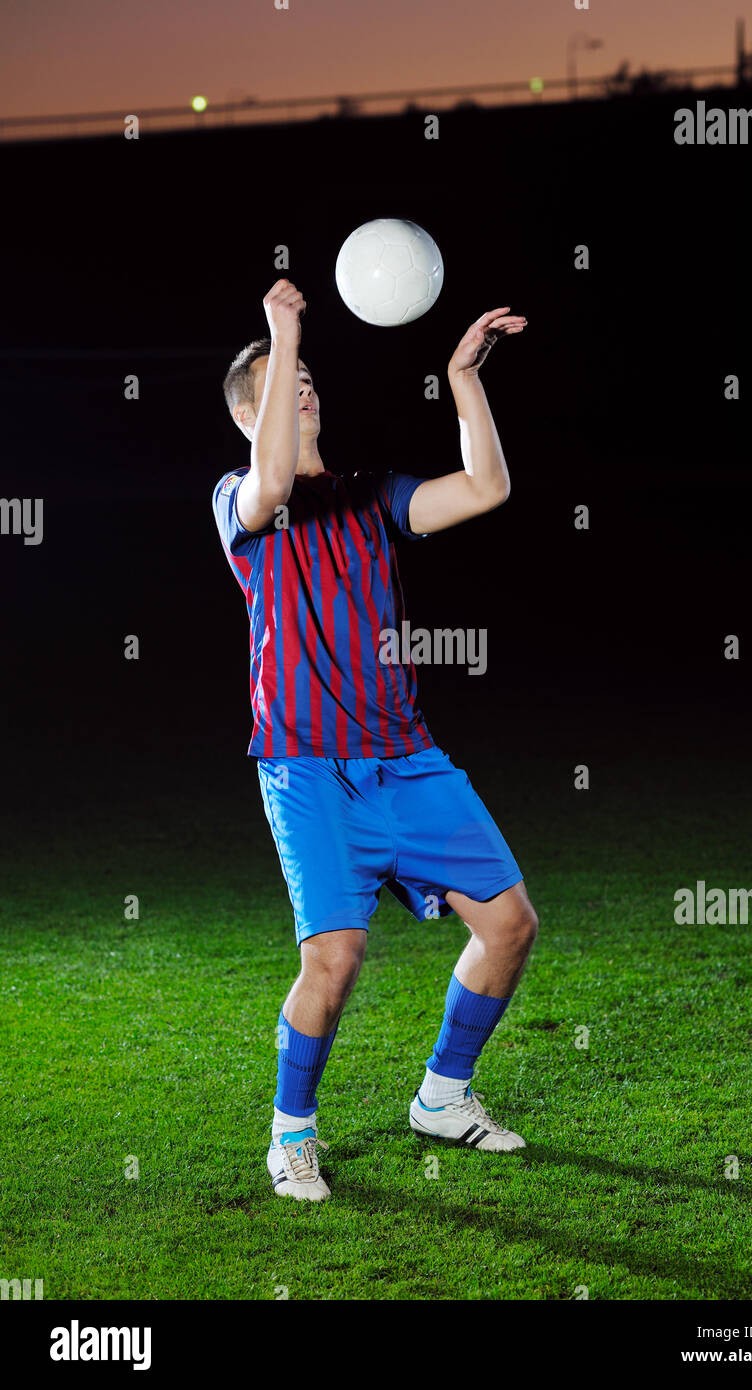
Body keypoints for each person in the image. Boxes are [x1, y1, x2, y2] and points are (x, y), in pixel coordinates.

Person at [213, 278, 538, 1201]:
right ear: (250, 412)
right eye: (283, 380)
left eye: (309, 374)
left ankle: (442, 1096)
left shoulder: (369, 495)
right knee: (335, 958)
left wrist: (463, 378)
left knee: (510, 924)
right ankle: (292, 1134)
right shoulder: (239, 498)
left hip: (408, 758)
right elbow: (274, 481)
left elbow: (486, 487)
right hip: (308, 770)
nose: (303, 383)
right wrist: (279, 329)